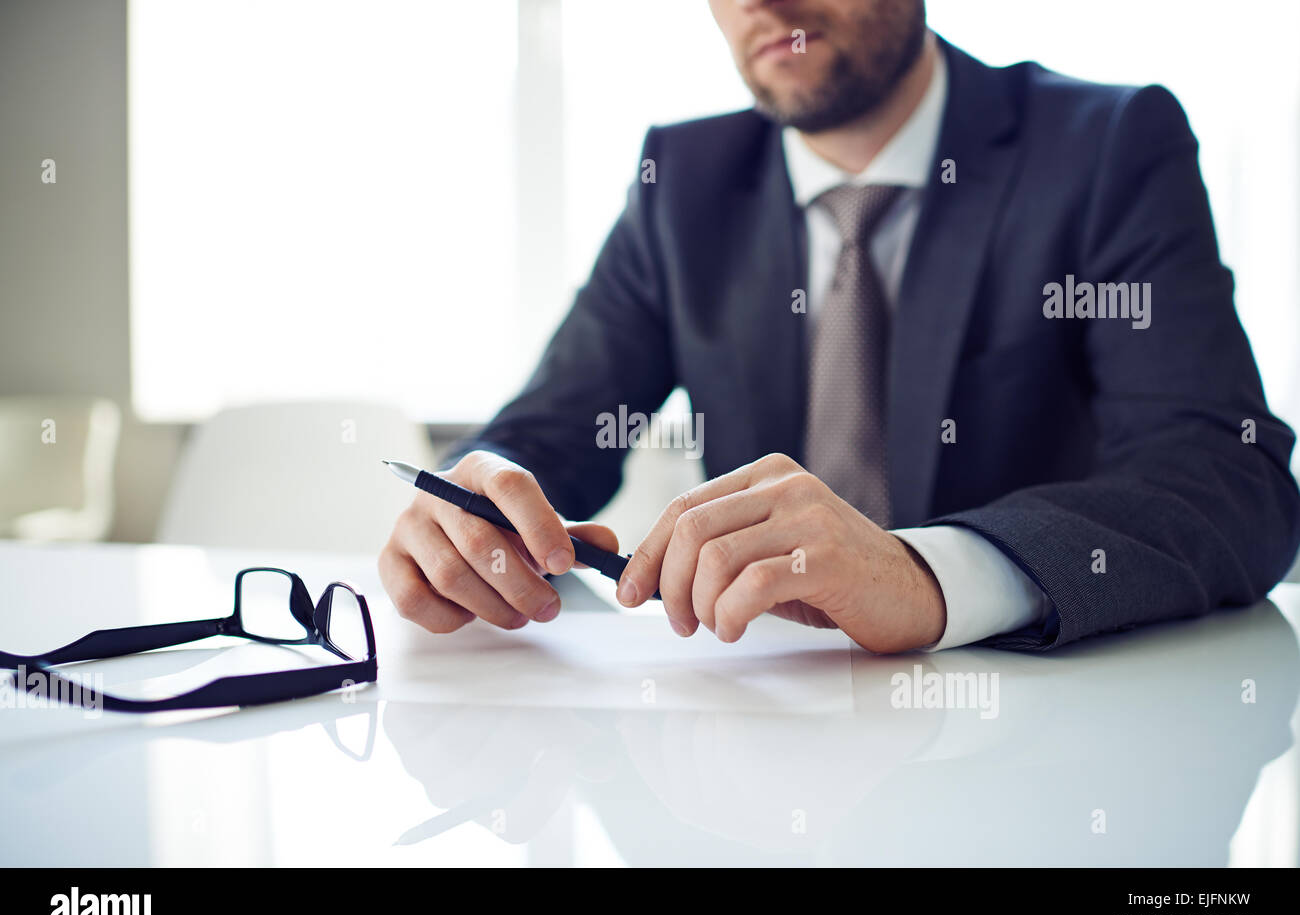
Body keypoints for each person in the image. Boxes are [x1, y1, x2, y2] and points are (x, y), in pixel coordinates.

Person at [379, 0, 1300, 653]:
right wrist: (477, 501)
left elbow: (1229, 477)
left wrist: (930, 575)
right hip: (763, 737)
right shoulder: (685, 179)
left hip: (1041, 741)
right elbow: (548, 433)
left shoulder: (1107, 147)